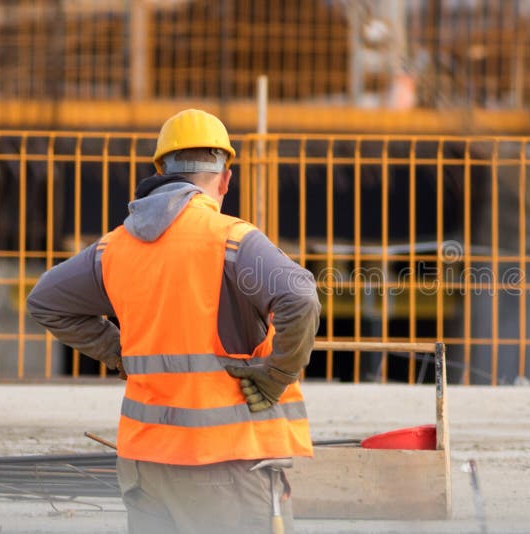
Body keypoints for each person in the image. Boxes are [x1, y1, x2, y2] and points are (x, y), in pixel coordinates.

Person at [27, 109, 320, 533]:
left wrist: (118, 351)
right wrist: (276, 374)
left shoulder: (114, 248)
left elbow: (46, 300)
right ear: (225, 179)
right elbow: (300, 297)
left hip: (144, 467)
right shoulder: (233, 239)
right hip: (223, 467)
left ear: (161, 172)